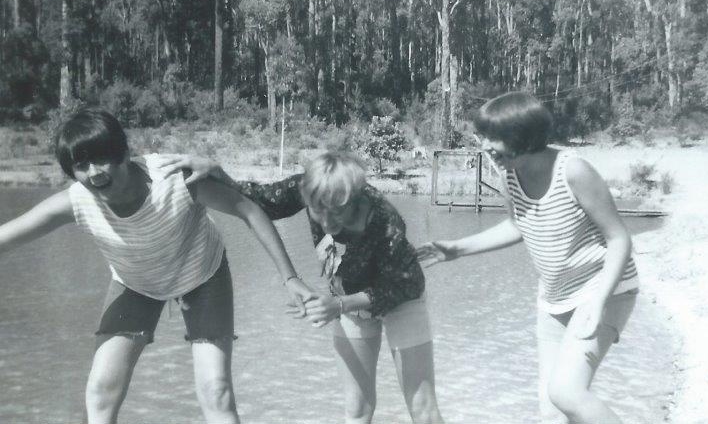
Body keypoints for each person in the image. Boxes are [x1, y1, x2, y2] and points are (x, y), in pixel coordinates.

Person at [0, 108, 313, 424]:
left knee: (216, 390)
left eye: (102, 160)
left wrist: (290, 278)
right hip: (136, 283)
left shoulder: (176, 180)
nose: (94, 173)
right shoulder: (78, 201)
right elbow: (8, 236)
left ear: (125, 154)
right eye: (81, 166)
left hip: (202, 274)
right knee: (100, 390)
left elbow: (249, 211)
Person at [161, 151, 445, 424]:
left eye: (338, 213)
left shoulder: (386, 220)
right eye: (318, 212)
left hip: (402, 300)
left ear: (354, 199)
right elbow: (258, 202)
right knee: (357, 411)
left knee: (422, 410)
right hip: (348, 305)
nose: (327, 222)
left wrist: (339, 305)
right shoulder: (310, 187)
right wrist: (217, 171)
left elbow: (398, 287)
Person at [417, 92, 639, 424]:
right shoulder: (509, 175)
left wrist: (598, 301)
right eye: (484, 137)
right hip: (553, 299)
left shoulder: (573, 170)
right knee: (552, 411)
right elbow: (517, 224)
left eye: (494, 139)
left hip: (604, 291)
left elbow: (619, 237)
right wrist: (457, 249)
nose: (485, 147)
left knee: (566, 392)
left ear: (523, 138)